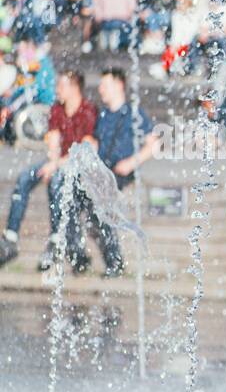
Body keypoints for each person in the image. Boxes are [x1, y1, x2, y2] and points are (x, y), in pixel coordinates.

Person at [1, 70, 98, 271]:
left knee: (56, 181)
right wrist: (53, 162)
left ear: (74, 87)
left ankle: (55, 240)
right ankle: (10, 236)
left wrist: (55, 165)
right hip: (57, 161)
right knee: (25, 178)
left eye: (61, 86)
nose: (57, 90)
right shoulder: (57, 109)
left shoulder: (88, 110)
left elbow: (86, 149)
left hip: (78, 167)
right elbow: (53, 141)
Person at [80, 67, 160, 276]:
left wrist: (132, 162)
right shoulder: (103, 114)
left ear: (119, 85)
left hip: (121, 173)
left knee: (100, 209)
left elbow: (154, 144)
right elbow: (96, 142)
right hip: (102, 172)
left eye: (105, 85)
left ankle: (115, 262)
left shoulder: (134, 113)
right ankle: (76, 252)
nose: (100, 89)